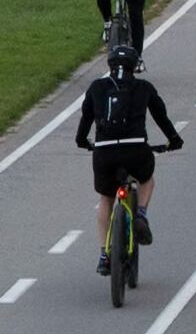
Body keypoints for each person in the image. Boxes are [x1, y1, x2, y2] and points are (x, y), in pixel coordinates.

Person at [75, 40, 183, 274]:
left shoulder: (97, 87)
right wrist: (174, 139)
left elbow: (85, 121)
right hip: (135, 150)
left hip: (104, 152)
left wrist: (83, 141)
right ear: (135, 66)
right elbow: (161, 117)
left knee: (106, 198)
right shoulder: (143, 87)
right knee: (147, 179)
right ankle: (140, 214)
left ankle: (104, 254)